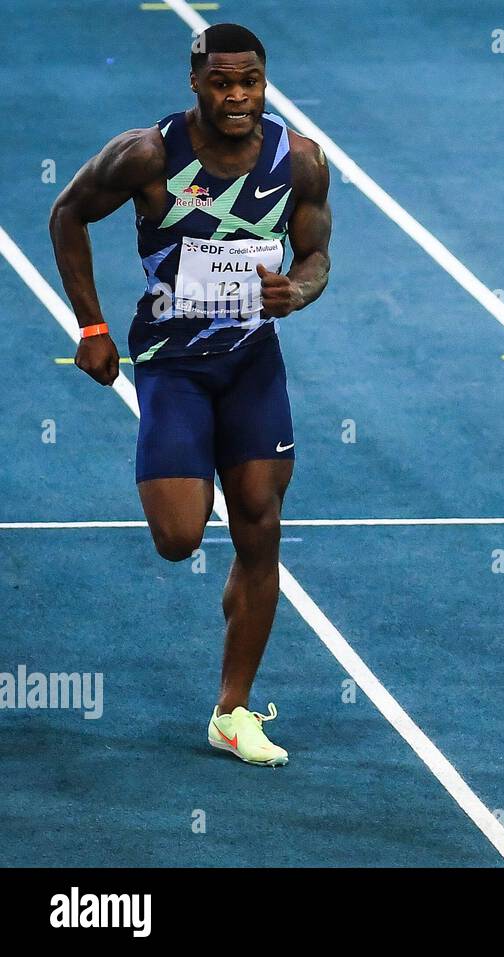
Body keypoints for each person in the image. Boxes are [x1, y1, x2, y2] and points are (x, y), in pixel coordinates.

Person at [49, 22, 332, 766]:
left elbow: (316, 254)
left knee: (259, 527)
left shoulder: (299, 161)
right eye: (223, 83)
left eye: (251, 83)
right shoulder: (149, 154)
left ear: (265, 83)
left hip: (250, 363)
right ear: (196, 81)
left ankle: (232, 709)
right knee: (179, 537)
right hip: (171, 364)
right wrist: (92, 326)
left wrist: (295, 292)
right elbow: (67, 214)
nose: (238, 97)